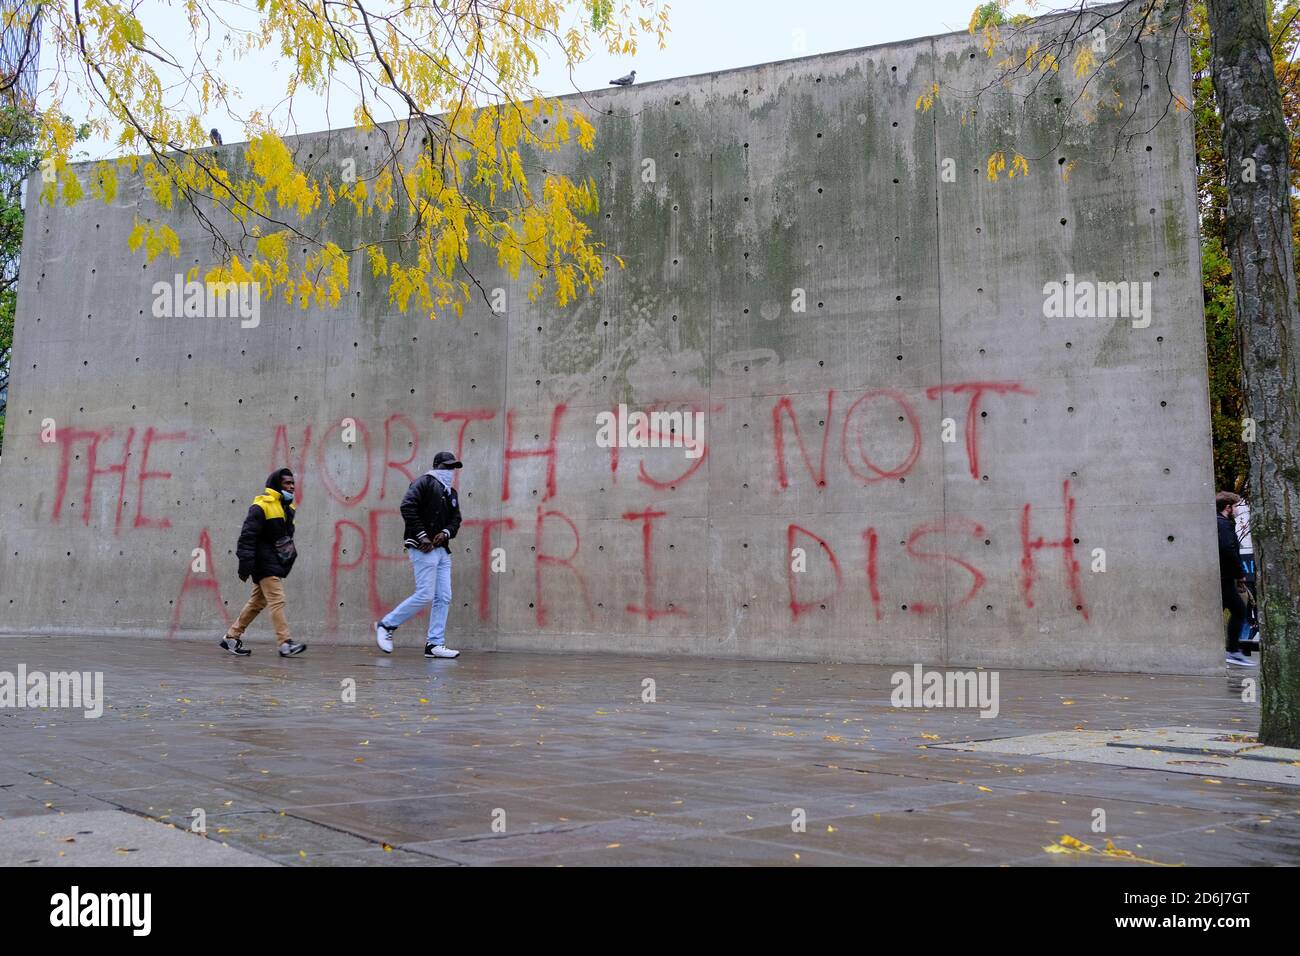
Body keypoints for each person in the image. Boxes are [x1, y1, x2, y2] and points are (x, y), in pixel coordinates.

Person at [375, 452, 463, 658]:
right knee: (425, 594)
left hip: (442, 551)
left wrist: (445, 533)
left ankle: (434, 644)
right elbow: (407, 506)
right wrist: (422, 536)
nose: (450, 471)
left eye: (453, 468)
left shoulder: (452, 492)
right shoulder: (423, 482)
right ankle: (386, 625)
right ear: (436, 466)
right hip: (423, 549)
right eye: (446, 466)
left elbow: (456, 519)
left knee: (444, 597)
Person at [220, 468, 307, 657]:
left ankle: (231, 637)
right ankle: (285, 643)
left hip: (273, 562)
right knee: (277, 599)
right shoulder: (261, 506)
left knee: (256, 603)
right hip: (263, 563)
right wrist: (245, 565)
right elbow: (247, 537)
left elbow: (284, 539)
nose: (291, 486)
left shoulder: (287, 508)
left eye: (293, 483)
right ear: (276, 484)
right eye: (286, 483)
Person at [1217, 491, 1254, 667]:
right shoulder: (1223, 525)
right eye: (1237, 507)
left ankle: (1231, 650)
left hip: (1223, 576)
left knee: (1230, 610)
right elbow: (1227, 550)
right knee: (1239, 611)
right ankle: (1232, 651)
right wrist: (1240, 573)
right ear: (1228, 507)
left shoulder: (1220, 523)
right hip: (1225, 577)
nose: (1239, 511)